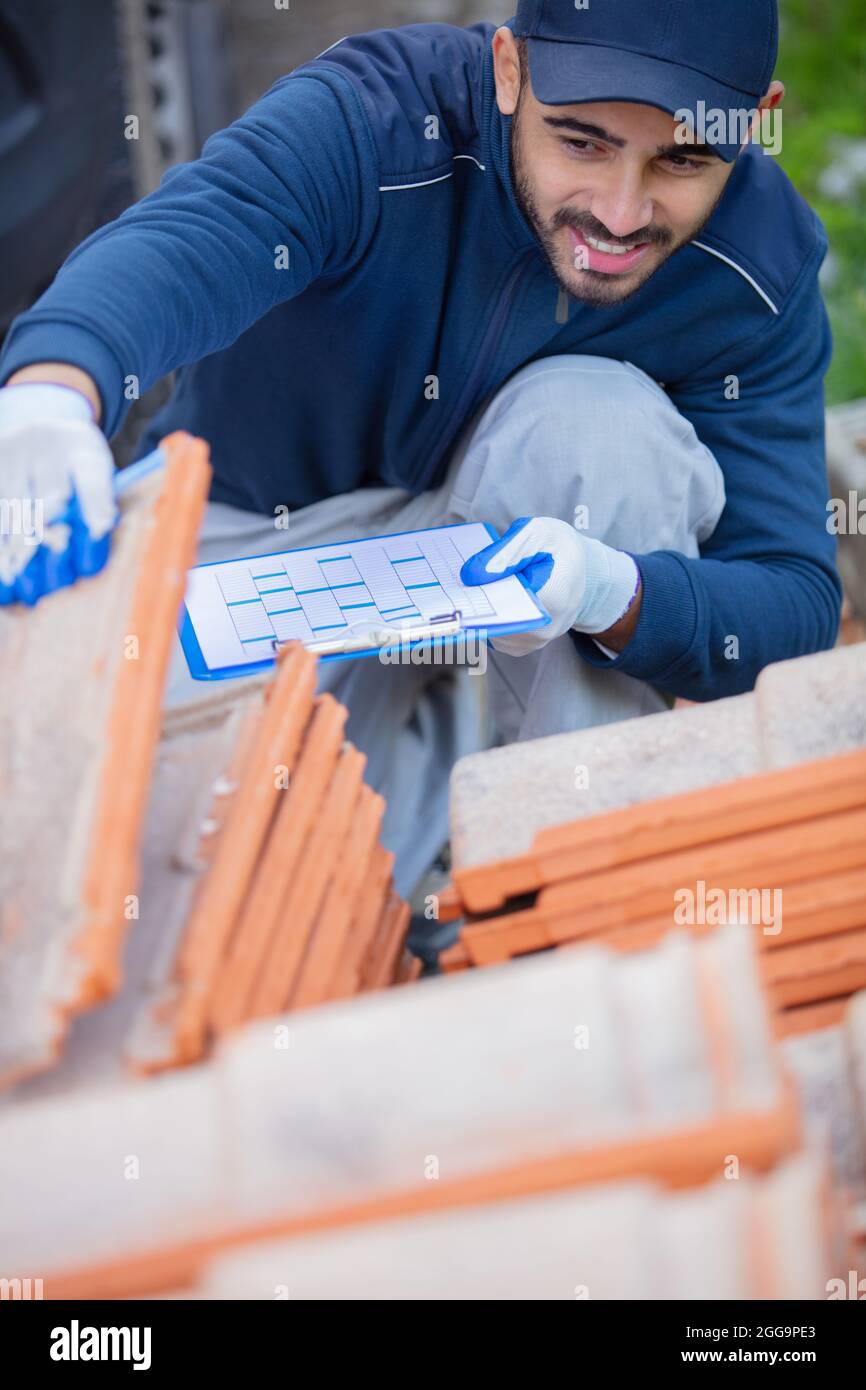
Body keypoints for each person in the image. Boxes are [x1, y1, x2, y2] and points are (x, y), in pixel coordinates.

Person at [0, 2, 840, 891]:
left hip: (518, 587)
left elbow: (790, 601)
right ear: (510, 69)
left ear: (755, 122)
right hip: (263, 546)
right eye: (582, 144)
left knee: (601, 424)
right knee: (157, 867)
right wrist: (52, 395)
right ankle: (407, 830)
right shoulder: (380, 120)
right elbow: (196, 235)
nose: (620, 215)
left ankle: (558, 891)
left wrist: (617, 593)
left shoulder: (760, 270)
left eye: (681, 159)